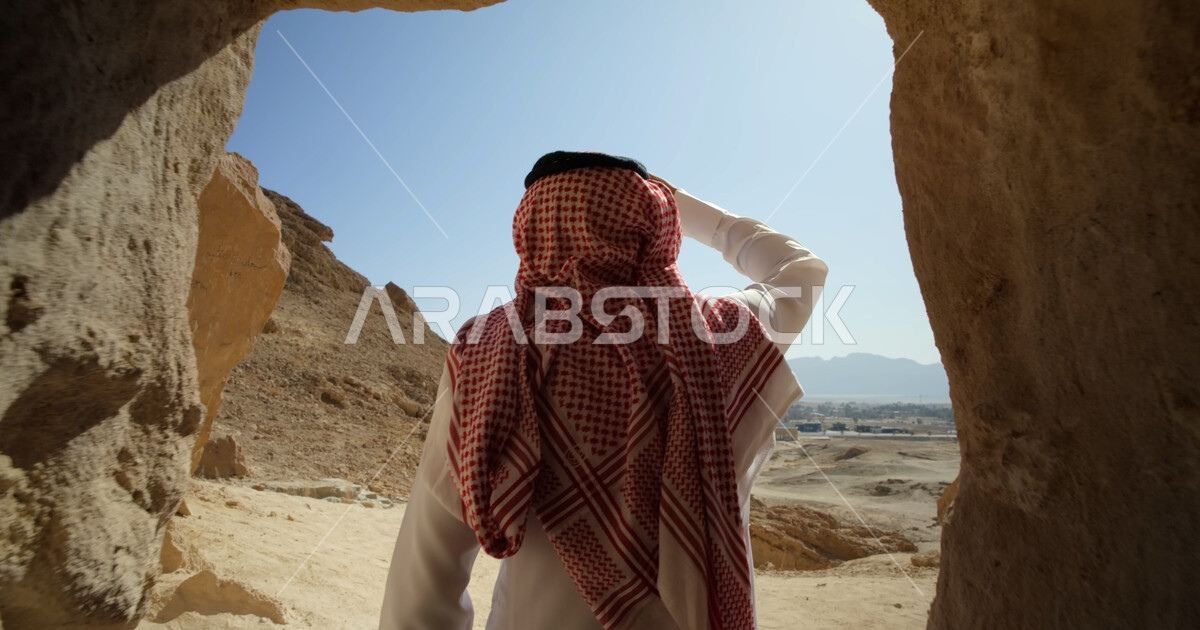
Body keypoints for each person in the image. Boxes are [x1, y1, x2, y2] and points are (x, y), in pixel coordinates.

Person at [379, 151, 828, 630]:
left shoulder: (487, 350)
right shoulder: (724, 332)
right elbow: (802, 268)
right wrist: (690, 210)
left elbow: (426, 579)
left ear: (531, 228)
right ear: (655, 219)